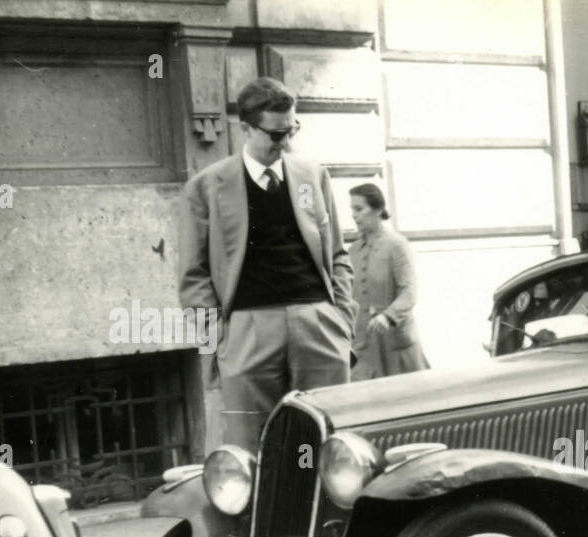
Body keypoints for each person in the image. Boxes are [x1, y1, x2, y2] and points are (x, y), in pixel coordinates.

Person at [178, 76, 356, 449]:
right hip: (246, 328)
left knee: (330, 442)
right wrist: (220, 341)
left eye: (292, 130)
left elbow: (338, 254)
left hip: (317, 323)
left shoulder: (311, 175)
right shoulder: (207, 186)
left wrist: (342, 320)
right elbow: (193, 276)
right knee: (252, 448)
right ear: (245, 128)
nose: (286, 143)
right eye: (276, 135)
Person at [347, 183, 429, 379]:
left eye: (359, 209)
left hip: (396, 344)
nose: (353, 215)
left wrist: (388, 316)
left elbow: (409, 293)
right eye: (352, 209)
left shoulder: (397, 245)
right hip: (365, 347)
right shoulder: (352, 252)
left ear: (378, 210)